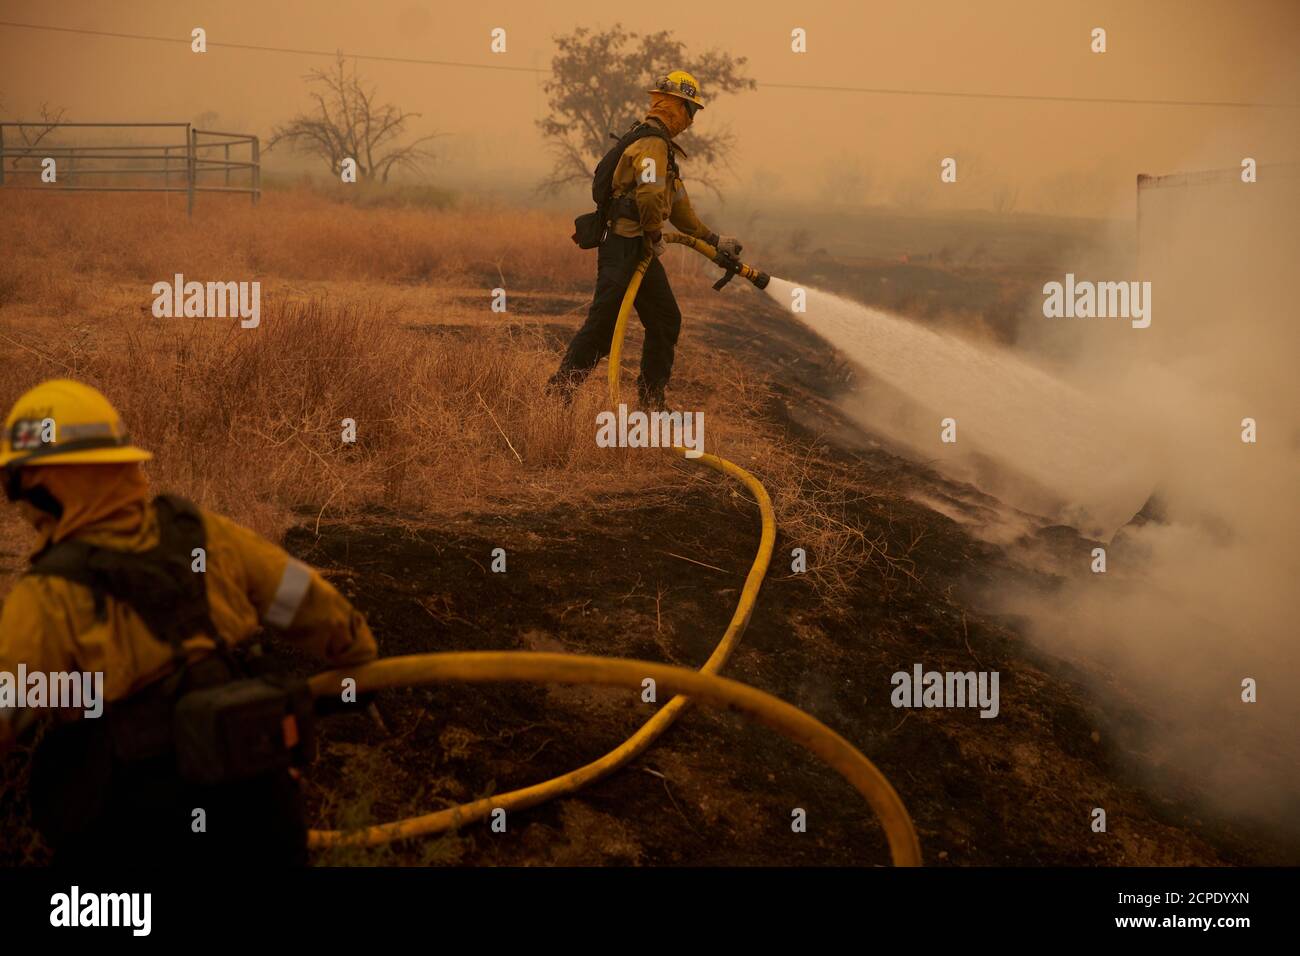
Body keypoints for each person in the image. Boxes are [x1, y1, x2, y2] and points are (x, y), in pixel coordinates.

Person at [0, 378, 378, 866]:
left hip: (139, 828)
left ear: (51, 483)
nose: (20, 505)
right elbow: (303, 599)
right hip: (261, 807)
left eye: (18, 487)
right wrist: (356, 660)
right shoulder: (202, 532)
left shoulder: (48, 594)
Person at [549, 70, 744, 409]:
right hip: (624, 248)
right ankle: (560, 391)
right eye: (691, 110)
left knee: (666, 319)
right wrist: (654, 232)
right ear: (676, 106)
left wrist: (714, 241)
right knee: (602, 328)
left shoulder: (658, 144)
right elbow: (652, 196)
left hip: (638, 248)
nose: (692, 120)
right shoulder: (652, 143)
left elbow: (679, 208)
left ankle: (651, 401)